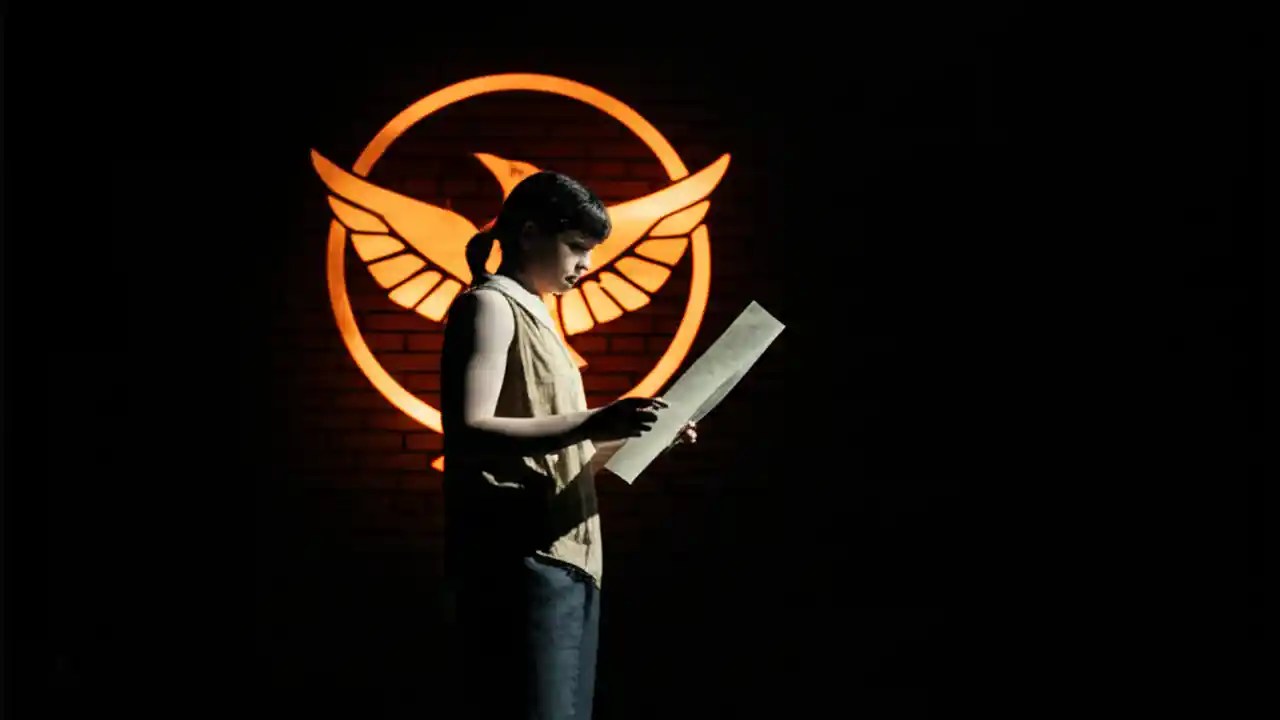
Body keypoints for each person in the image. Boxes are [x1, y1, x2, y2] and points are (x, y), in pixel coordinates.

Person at [440, 170, 696, 718]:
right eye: (576, 247)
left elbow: (559, 454)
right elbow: (470, 427)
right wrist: (592, 422)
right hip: (522, 554)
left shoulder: (541, 316)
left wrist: (639, 439)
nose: (585, 264)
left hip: (569, 554)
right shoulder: (489, 305)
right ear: (529, 233)